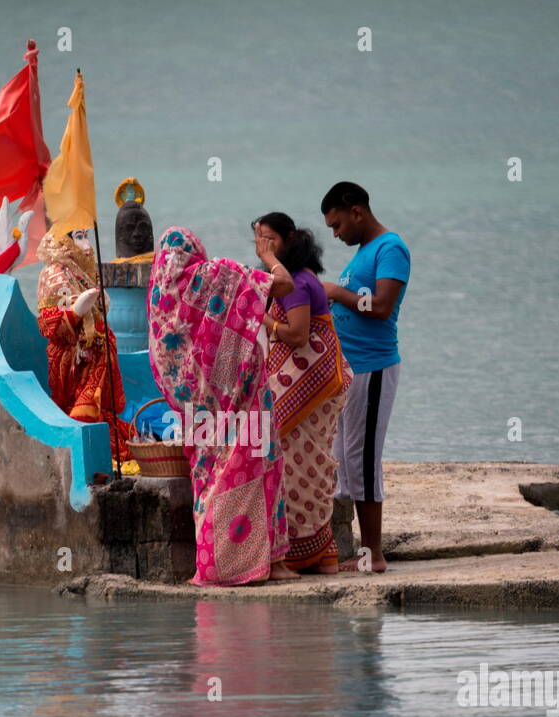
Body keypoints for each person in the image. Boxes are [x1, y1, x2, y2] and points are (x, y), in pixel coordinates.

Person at [148, 226, 298, 586]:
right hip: (240, 401)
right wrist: (269, 259)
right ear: (194, 252)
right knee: (261, 465)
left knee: (210, 478)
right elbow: (284, 285)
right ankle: (258, 563)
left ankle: (224, 562)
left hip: (200, 414)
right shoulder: (212, 275)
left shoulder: (160, 302)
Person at [252, 212, 352, 574]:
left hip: (313, 382)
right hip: (312, 384)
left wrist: (261, 318)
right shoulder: (293, 279)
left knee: (295, 459)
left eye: (270, 241)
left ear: (289, 239)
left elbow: (297, 335)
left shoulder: (296, 281)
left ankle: (298, 552)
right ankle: (321, 553)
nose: (262, 248)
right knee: (308, 463)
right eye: (258, 241)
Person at [319, 182, 410, 573]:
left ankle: (374, 554)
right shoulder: (362, 254)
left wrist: (336, 293)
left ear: (356, 211)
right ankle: (354, 549)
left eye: (337, 225)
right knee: (342, 459)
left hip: (373, 368)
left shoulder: (390, 249)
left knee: (363, 459)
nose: (336, 234)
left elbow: (382, 305)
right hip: (350, 372)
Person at [35, 225, 134, 460]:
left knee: (106, 415)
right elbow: (52, 328)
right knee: (81, 409)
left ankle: (98, 423)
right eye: (79, 237)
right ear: (64, 242)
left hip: (96, 351)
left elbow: (103, 307)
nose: (86, 243)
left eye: (86, 236)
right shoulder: (54, 275)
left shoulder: (84, 270)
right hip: (70, 357)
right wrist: (77, 310)